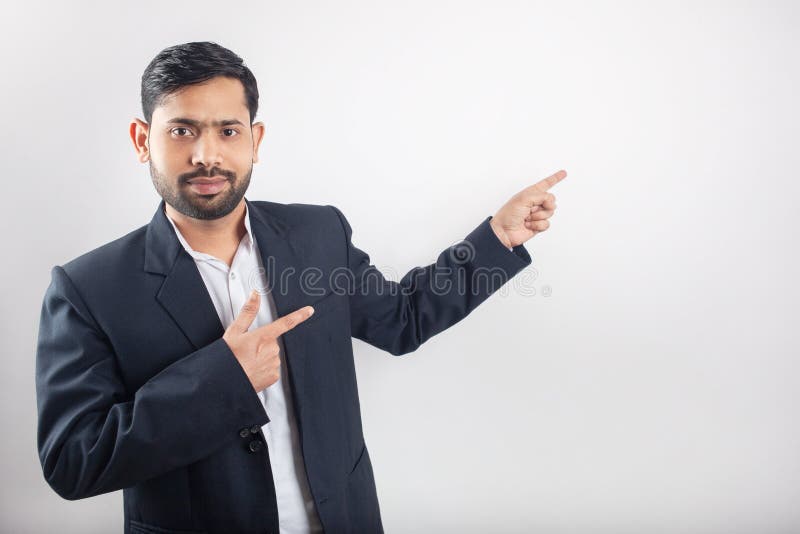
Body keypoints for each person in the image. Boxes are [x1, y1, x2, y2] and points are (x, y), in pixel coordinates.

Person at [35, 41, 565, 534]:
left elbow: (403, 320)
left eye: (227, 131)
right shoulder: (87, 288)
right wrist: (222, 380)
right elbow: (73, 460)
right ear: (142, 139)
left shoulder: (317, 235)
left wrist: (497, 238)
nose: (206, 155)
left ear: (255, 140)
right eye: (181, 131)